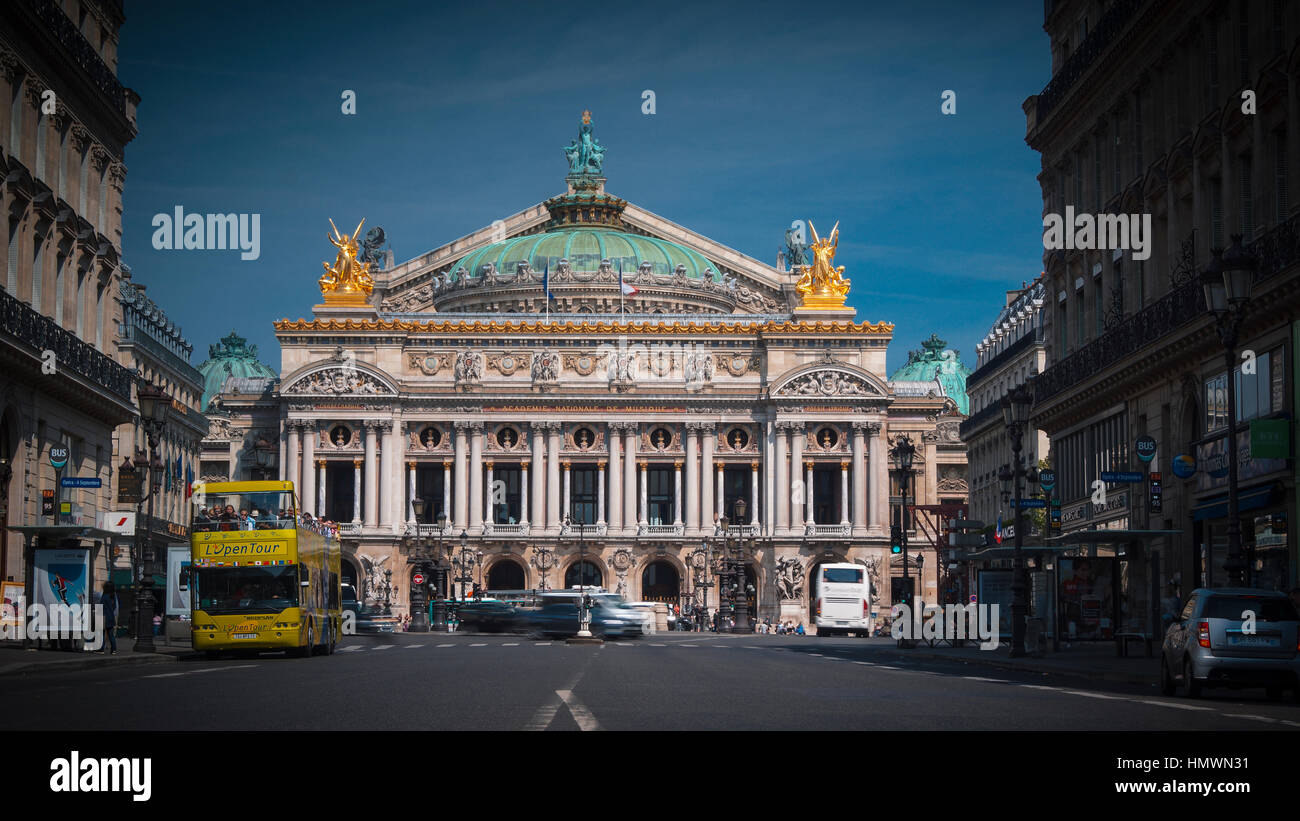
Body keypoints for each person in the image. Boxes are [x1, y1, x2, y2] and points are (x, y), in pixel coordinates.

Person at [99, 582, 119, 655]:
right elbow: (114, 607)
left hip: (104, 617)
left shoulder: (105, 596)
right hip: (111, 617)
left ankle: (101, 649)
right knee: (111, 635)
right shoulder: (113, 596)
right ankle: (113, 650)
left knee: (102, 634)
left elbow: (101, 607)